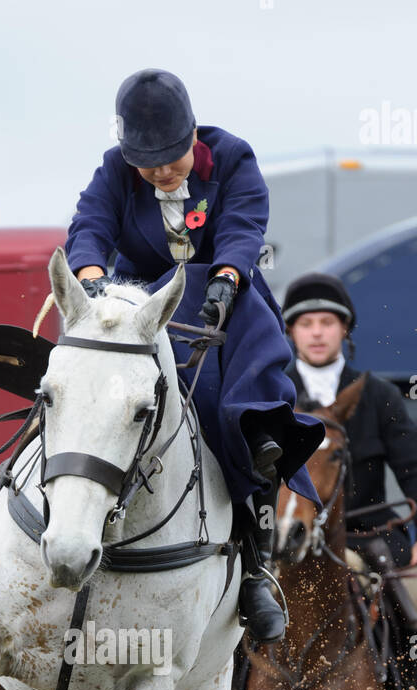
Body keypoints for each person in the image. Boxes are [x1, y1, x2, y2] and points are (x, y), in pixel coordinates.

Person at [64, 68, 325, 643]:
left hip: (221, 307)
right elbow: (90, 226)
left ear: (192, 134)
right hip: (145, 312)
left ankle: (255, 551)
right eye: (148, 162)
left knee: (246, 309)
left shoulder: (233, 156)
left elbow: (242, 223)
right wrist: (90, 280)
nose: (161, 172)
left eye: (172, 157)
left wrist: (228, 275)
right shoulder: (114, 170)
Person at [278, 271, 417, 690]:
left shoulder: (377, 394)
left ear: (344, 332)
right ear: (291, 333)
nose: (316, 332)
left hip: (368, 536)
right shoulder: (270, 391)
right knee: (233, 605)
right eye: (306, 323)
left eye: (327, 323)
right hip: (282, 539)